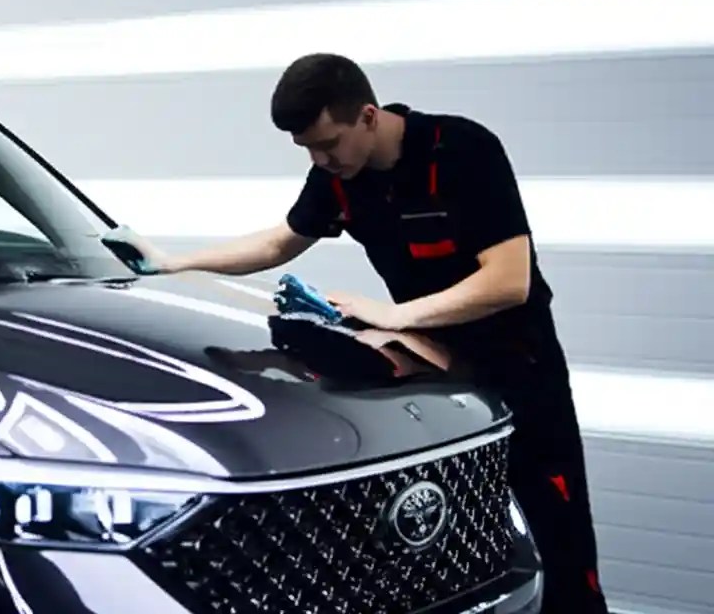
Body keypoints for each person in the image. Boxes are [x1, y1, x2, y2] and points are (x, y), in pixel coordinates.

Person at [134, 53, 608, 613]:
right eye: (308, 150)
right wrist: (174, 262)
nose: (320, 160)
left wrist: (395, 315)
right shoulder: (339, 178)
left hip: (521, 373)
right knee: (451, 552)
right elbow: (277, 243)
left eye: (328, 144)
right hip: (435, 373)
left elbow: (509, 281)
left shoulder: (462, 150)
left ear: (367, 116)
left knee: (558, 544)